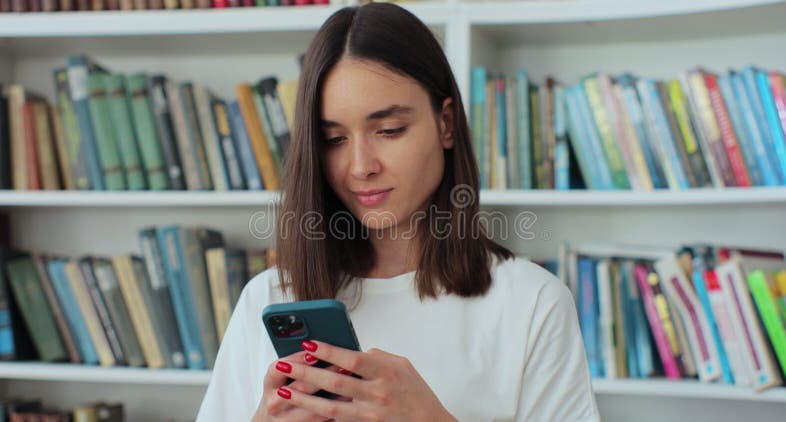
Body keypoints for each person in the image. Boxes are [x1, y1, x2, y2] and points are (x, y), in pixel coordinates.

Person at [196, 3, 599, 421]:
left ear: (445, 124)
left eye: (388, 131)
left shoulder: (531, 303)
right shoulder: (268, 299)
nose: (360, 166)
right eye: (334, 139)